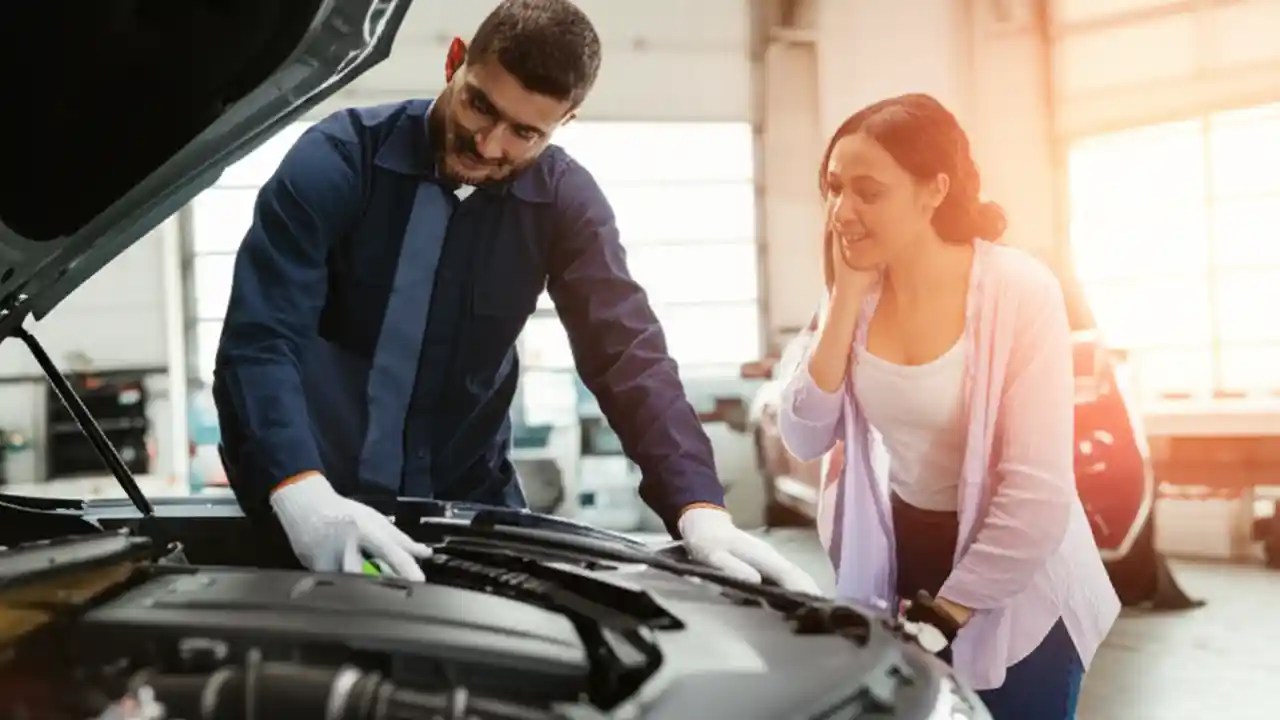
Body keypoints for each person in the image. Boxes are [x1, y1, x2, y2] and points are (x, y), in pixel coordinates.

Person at [212, 0, 819, 595]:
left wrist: (699, 507)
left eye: (525, 132)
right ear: (455, 61)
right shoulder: (338, 161)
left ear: (564, 124)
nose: (490, 144)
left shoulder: (564, 204)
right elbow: (262, 340)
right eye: (480, 105)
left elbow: (628, 357)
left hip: (469, 517)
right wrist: (300, 492)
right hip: (319, 508)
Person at [778, 93, 1119, 718]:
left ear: (933, 191)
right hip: (906, 558)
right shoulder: (856, 295)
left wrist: (948, 612)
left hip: (1019, 572)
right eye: (833, 188)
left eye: (867, 192)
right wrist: (844, 297)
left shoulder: (1019, 291)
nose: (841, 211)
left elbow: (1037, 491)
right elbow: (803, 435)